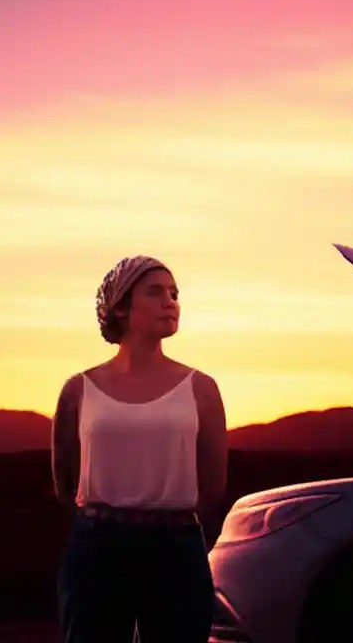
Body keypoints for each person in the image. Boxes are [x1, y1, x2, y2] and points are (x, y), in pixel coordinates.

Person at [52, 255, 229, 643]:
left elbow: (213, 483)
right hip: (97, 547)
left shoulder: (201, 388)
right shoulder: (79, 389)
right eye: (155, 292)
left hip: (176, 546)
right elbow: (65, 480)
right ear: (121, 306)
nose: (170, 302)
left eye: (174, 294)